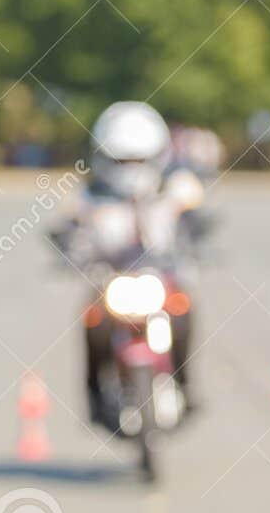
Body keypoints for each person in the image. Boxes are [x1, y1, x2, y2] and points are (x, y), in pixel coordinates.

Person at [65, 101, 202, 425]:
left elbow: (196, 213)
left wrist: (197, 234)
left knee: (184, 310)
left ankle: (185, 384)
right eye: (122, 159)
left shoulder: (174, 190)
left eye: (139, 158)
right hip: (111, 280)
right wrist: (69, 247)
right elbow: (67, 226)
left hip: (161, 279)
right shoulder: (88, 197)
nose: (131, 167)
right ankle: (95, 392)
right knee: (92, 320)